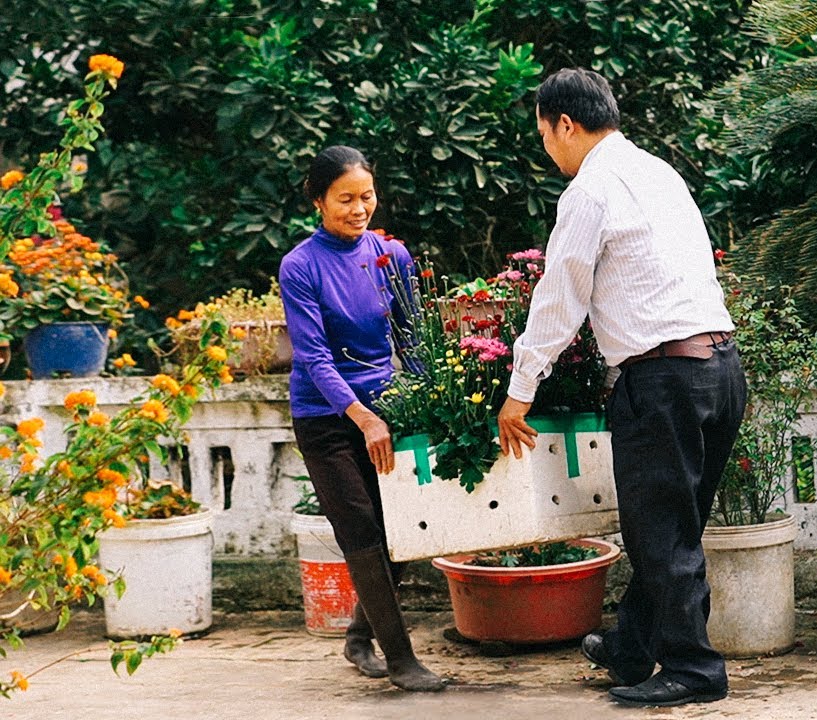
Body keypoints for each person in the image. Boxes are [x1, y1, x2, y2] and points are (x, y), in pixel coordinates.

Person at [496, 68, 746, 708]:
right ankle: (633, 648)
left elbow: (559, 297)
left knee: (662, 533)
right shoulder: (659, 172)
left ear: (566, 125)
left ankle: (693, 670)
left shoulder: (591, 190)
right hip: (719, 367)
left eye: (544, 134)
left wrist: (520, 390)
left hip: (663, 377)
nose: (547, 148)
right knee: (669, 527)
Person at [280, 145, 445, 693]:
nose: (358, 208)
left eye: (366, 196)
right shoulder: (300, 265)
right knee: (360, 531)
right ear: (318, 201)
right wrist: (362, 418)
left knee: (395, 529)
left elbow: (411, 337)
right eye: (345, 199)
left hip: (387, 409)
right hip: (326, 418)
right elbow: (314, 356)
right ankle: (400, 660)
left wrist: (427, 401)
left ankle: (358, 636)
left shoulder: (390, 256)